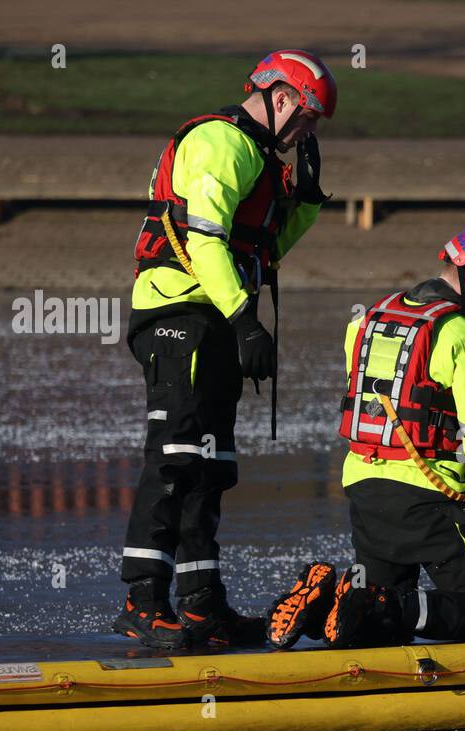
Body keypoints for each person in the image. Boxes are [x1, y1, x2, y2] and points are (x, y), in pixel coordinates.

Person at [114, 49, 336, 649]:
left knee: (210, 467)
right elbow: (206, 243)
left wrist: (308, 202)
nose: (307, 132)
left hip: (214, 318)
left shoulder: (260, 157)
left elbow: (264, 250)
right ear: (282, 98)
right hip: (180, 311)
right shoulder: (221, 143)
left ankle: (202, 608)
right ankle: (141, 600)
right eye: (308, 117)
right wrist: (245, 320)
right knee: (175, 458)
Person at [266, 227, 465, 650]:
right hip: (432, 500)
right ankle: (389, 606)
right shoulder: (464, 337)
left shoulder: (367, 320)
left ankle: (322, 602)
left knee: (372, 623)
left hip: (365, 494)